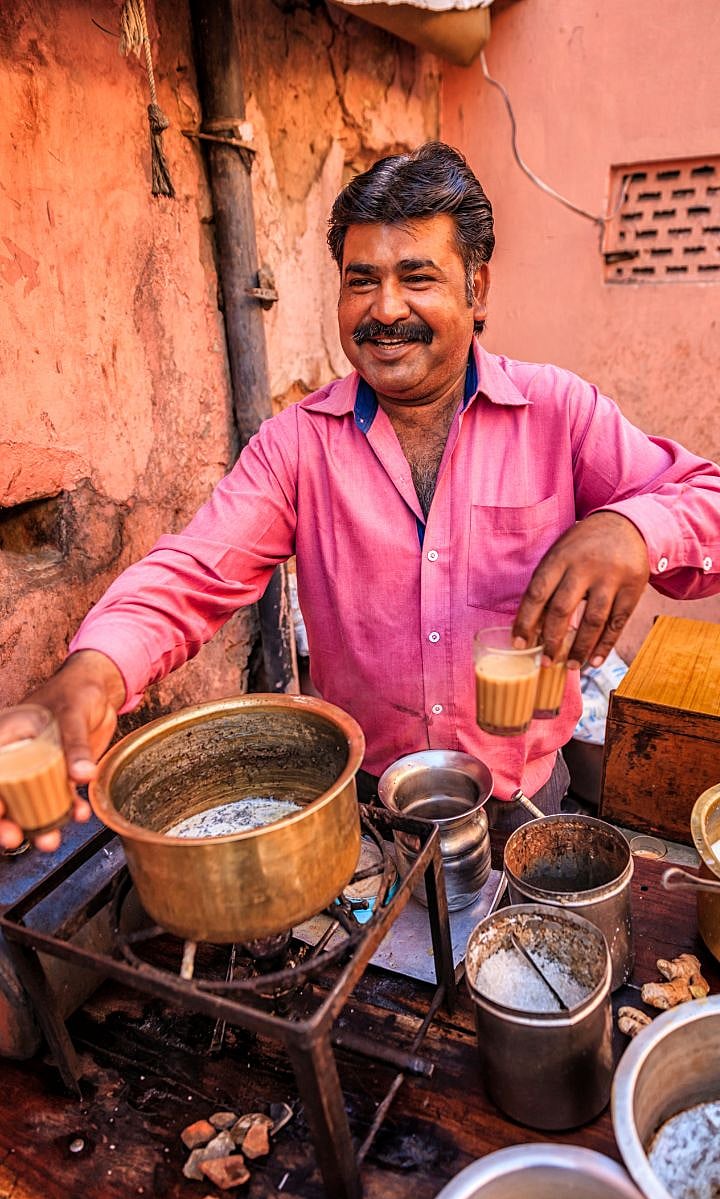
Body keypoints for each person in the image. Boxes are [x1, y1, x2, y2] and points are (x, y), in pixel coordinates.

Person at [2, 141, 719, 854]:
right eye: (360, 280)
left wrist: (634, 528)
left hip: (525, 799)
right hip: (368, 806)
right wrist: (94, 673)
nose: (385, 309)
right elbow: (193, 569)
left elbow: (705, 502)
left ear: (479, 288)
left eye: (418, 277)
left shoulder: (559, 413)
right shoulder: (297, 444)